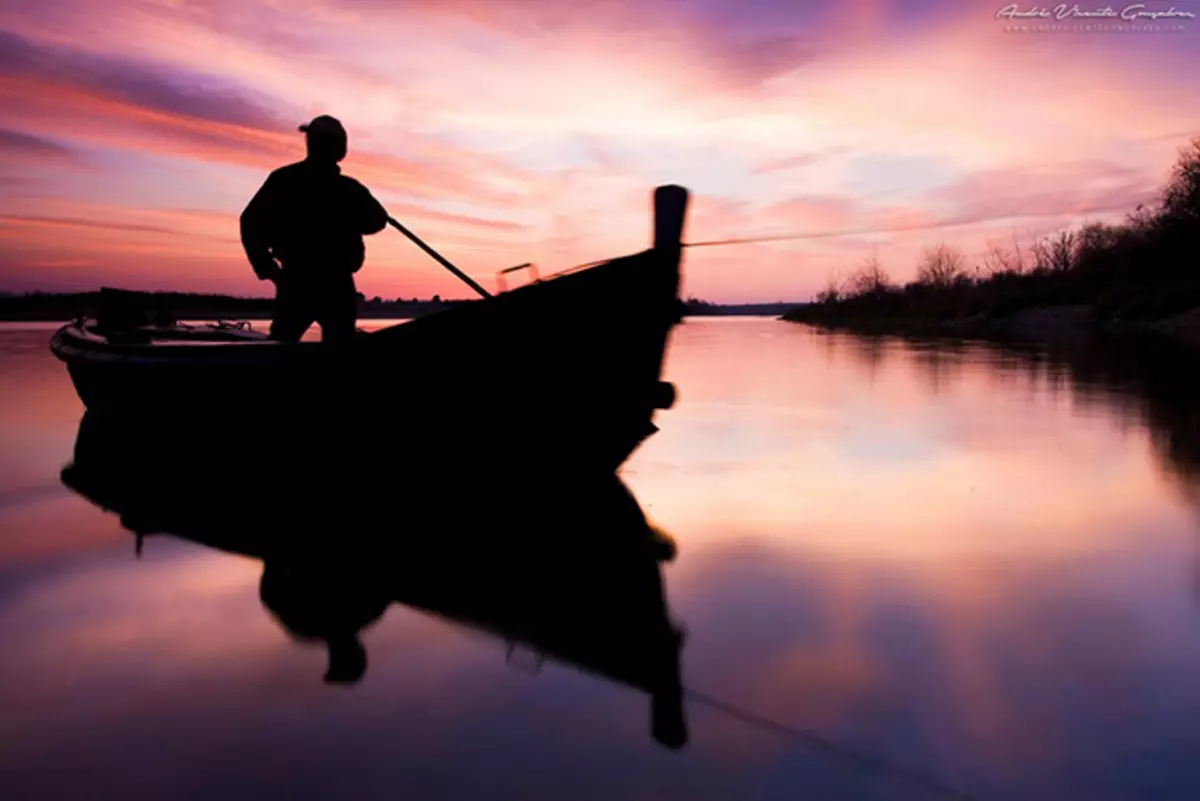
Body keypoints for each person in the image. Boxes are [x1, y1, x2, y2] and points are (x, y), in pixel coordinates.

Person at [240, 115, 389, 344]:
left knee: (290, 348)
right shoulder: (346, 189)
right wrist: (269, 269)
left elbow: (377, 221)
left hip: (314, 282)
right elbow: (377, 221)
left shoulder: (288, 180)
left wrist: (269, 270)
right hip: (312, 282)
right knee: (313, 348)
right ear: (340, 148)